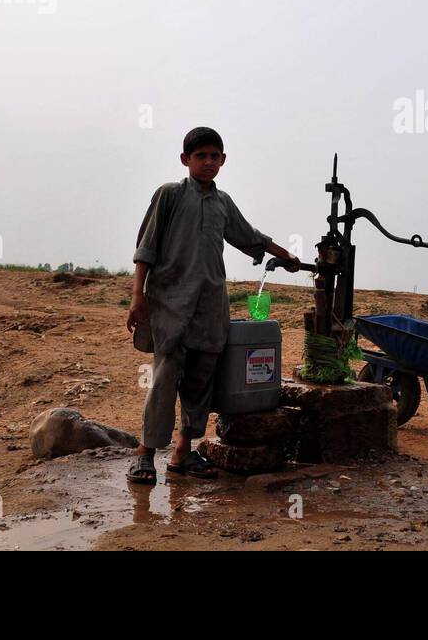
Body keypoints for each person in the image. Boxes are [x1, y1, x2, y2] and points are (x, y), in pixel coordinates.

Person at [125, 126, 300, 484]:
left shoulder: (223, 203)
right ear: (185, 160)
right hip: (170, 306)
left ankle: (182, 454)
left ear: (223, 160)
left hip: (210, 308)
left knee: (200, 383)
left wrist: (284, 254)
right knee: (164, 379)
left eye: (214, 156)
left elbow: (248, 236)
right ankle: (145, 455)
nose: (208, 162)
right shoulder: (169, 196)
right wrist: (137, 297)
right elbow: (146, 249)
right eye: (200, 156)